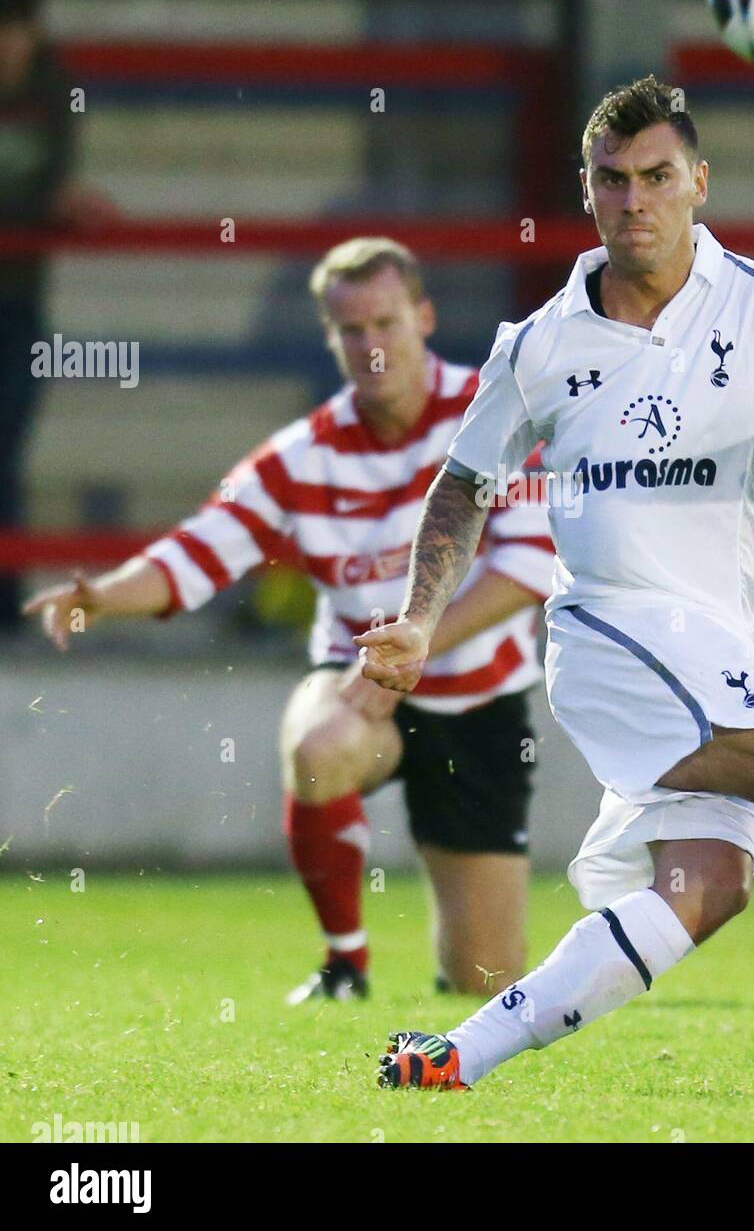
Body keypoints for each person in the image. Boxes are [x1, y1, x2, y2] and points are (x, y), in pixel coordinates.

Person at [359, 76, 754, 1097]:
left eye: (656, 177)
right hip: (608, 628)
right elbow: (462, 486)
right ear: (587, 191)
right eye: (611, 181)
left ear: (697, 181)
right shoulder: (536, 345)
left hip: (717, 639)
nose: (634, 202)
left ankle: (454, 1056)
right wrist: (417, 621)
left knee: (702, 886)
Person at [24, 237, 554, 999]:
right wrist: (104, 595)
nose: (371, 347)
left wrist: (416, 645)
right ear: (330, 338)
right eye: (351, 331)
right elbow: (197, 552)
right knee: (319, 741)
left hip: (479, 700)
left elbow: (527, 571)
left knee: (486, 977)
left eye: (385, 323)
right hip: (358, 683)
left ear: (424, 317)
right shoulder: (301, 454)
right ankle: (345, 964)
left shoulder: (493, 414)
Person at [0, 0, 76, 629]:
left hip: (17, 301)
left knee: (5, 446)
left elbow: (54, 187)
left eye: (14, 32)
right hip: (17, 295)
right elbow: (43, 196)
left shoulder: (53, 92)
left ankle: (4, 605)